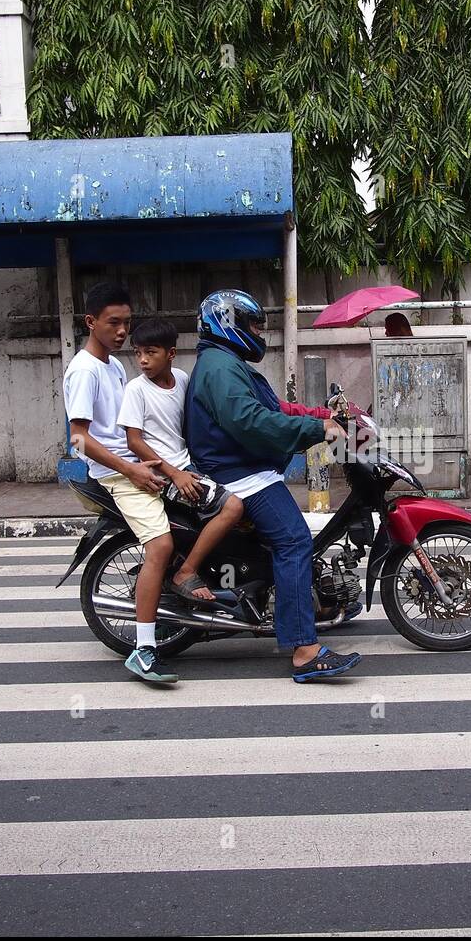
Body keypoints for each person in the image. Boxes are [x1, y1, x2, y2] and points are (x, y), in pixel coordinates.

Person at [186, 289, 364, 683]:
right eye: (252, 325)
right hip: (238, 473)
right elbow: (250, 421)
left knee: (288, 541)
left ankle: (304, 604)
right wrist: (316, 428)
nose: (259, 333)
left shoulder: (229, 363)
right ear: (227, 323)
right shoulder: (219, 368)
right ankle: (304, 650)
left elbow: (274, 409)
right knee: (295, 539)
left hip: (246, 467)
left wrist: (323, 414)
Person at [62, 282, 176, 684]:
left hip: (136, 461)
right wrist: (132, 471)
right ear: (91, 322)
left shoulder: (113, 365)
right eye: (114, 323)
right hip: (115, 474)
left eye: (127, 323)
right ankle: (144, 650)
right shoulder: (84, 370)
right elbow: (79, 438)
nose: (123, 331)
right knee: (160, 544)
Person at [117, 317, 244, 605]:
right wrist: (175, 475)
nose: (143, 361)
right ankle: (185, 572)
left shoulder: (184, 380)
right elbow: (134, 442)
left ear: (171, 354)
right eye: (138, 353)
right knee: (233, 506)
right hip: (163, 474)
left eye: (151, 352)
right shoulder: (136, 390)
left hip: (188, 464)